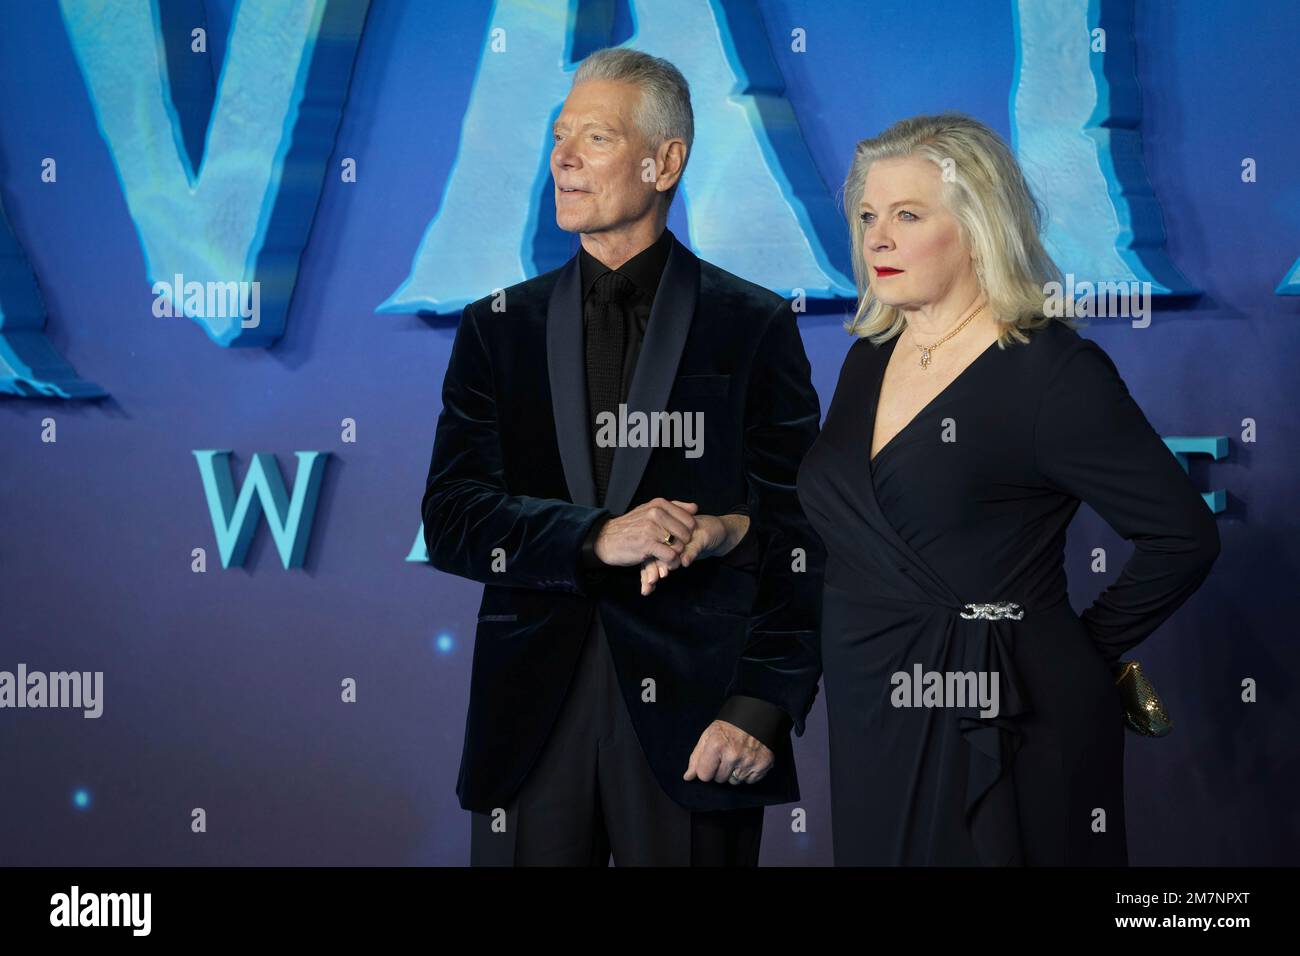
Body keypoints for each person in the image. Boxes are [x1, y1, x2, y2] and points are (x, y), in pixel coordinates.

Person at [421, 48, 825, 866]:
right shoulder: (496, 327)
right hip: (530, 722)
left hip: (698, 722)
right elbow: (452, 517)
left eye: (594, 138)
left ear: (665, 161)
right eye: (559, 136)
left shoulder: (750, 324)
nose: (562, 159)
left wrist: (761, 706)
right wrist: (598, 537)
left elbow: (801, 533)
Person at [795, 112, 1220, 865]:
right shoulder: (870, 358)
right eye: (867, 215)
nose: (877, 238)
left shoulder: (1052, 373)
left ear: (977, 227)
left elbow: (1182, 537)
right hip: (870, 705)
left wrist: (1075, 652)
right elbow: (854, 529)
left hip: (1006, 715)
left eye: (908, 214)